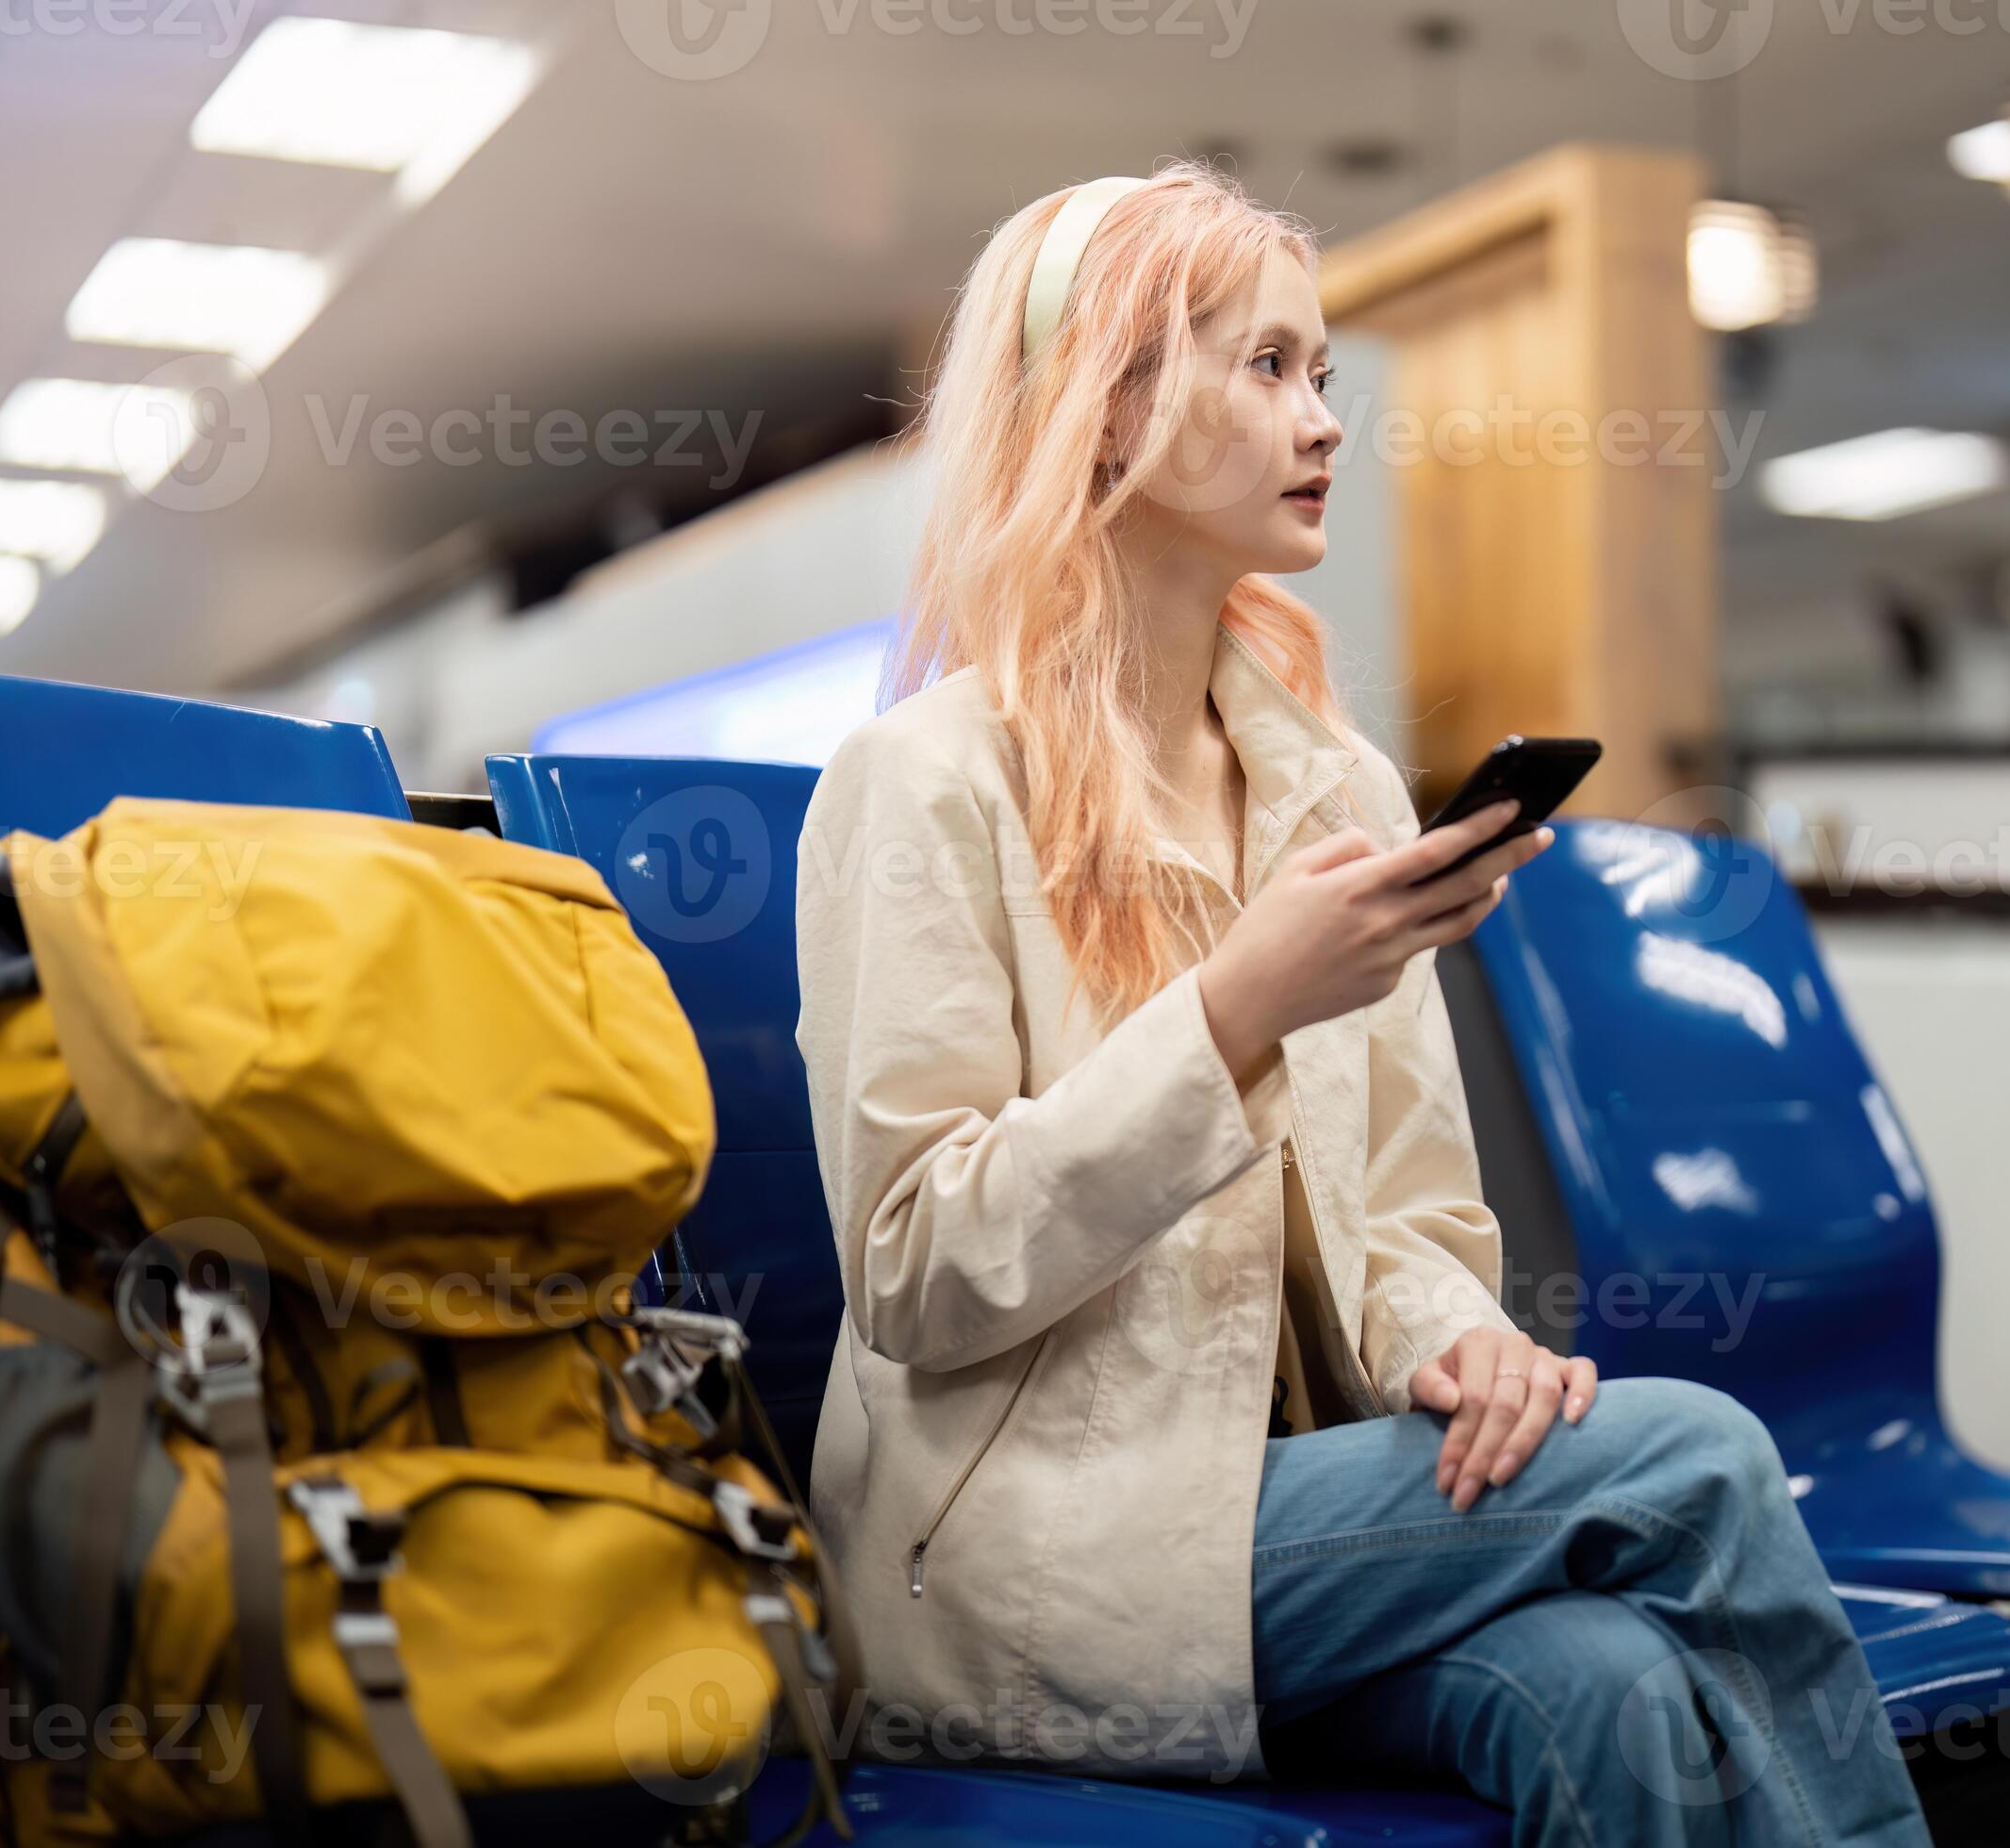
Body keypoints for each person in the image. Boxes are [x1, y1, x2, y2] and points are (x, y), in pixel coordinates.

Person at [793, 160, 1932, 1848]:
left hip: (1291, 1519)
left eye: (1319, 373)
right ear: (1105, 412)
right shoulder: (923, 783)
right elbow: (913, 1271)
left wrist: (1453, 1343)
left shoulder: (1333, 794)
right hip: (1020, 1551)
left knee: (1608, 1691)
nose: (1323, 420)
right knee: (1690, 1454)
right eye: (1264, 369)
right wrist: (1233, 1016)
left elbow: (1410, 1216)